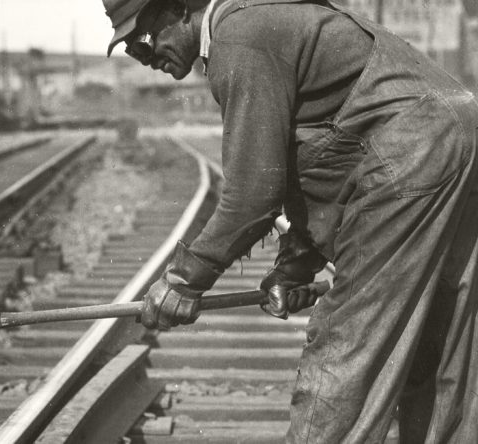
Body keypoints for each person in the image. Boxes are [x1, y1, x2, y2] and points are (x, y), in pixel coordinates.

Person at [102, 0, 478, 442]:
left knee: (349, 337)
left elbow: (252, 196)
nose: (145, 58)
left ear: (181, 9)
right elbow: (321, 159)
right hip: (452, 131)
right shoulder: (255, 21)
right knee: (438, 338)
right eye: (131, 50)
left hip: (414, 148)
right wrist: (296, 266)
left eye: (144, 39)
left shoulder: (238, 40)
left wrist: (184, 280)